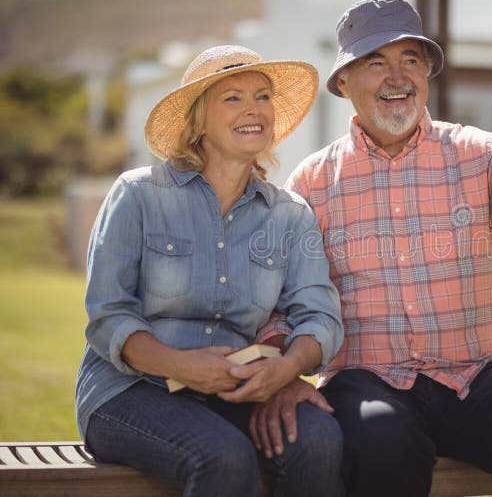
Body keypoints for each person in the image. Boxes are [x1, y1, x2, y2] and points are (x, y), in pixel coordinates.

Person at [256, 0, 492, 496]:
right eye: (376, 63)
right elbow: (280, 299)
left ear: (426, 74)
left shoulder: (478, 152)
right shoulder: (311, 182)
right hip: (366, 381)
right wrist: (283, 370)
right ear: (344, 83)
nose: (397, 77)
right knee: (379, 439)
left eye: (410, 61)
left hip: (470, 377)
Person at [75, 45, 345, 497]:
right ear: (198, 119)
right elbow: (108, 316)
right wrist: (179, 365)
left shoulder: (291, 215)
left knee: (318, 441)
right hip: (129, 389)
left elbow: (319, 315)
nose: (253, 110)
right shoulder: (138, 195)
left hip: (237, 392)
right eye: (233, 98)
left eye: (263, 97)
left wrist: (287, 371)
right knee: (223, 456)